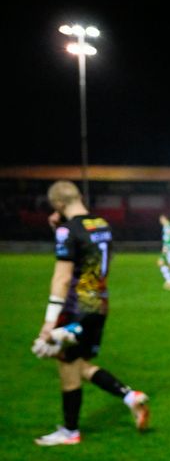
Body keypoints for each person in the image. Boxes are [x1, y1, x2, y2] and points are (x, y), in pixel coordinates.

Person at [33, 180, 150, 446]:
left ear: (59, 205)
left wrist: (49, 321)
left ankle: (70, 431)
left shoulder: (68, 230)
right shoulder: (101, 224)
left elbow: (62, 278)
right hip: (99, 304)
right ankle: (130, 397)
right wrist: (60, 227)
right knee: (80, 363)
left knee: (66, 363)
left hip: (77, 306)